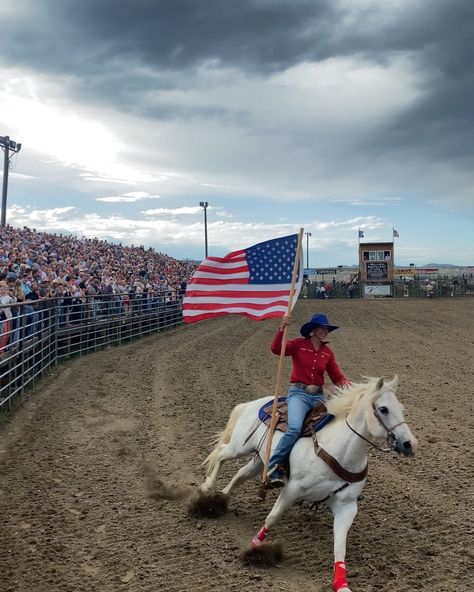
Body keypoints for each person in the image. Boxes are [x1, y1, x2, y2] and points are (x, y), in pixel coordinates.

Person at [267, 312, 350, 488]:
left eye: (326, 329)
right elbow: (276, 349)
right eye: (321, 328)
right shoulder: (297, 345)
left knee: (336, 427)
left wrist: (354, 388)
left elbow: (337, 377)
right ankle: (273, 466)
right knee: (295, 428)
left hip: (319, 397)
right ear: (312, 330)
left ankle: (336, 476)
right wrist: (282, 328)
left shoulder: (327, 352)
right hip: (299, 395)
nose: (325, 331)